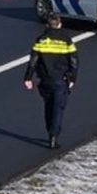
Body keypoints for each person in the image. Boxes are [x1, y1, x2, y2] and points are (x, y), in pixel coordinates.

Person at [23, 14, 78, 149]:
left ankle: (49, 130)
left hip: (45, 79)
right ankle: (53, 135)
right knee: (58, 108)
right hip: (61, 79)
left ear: (47, 25)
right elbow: (74, 61)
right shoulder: (66, 40)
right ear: (59, 24)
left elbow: (33, 61)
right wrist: (73, 78)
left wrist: (28, 77)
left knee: (48, 106)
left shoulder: (41, 40)